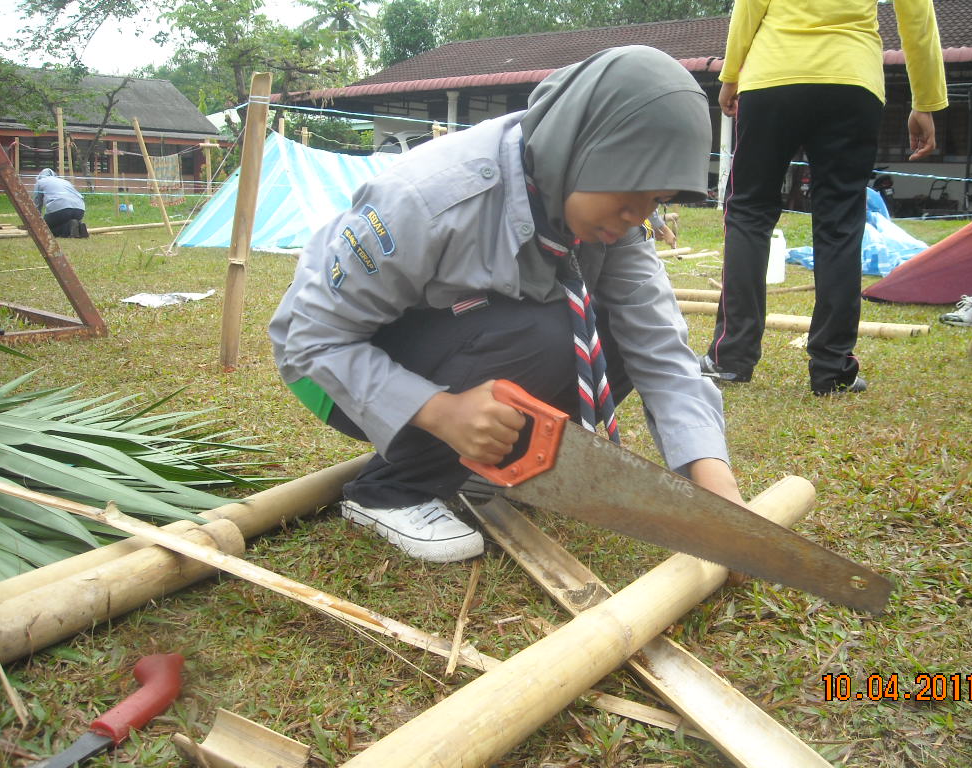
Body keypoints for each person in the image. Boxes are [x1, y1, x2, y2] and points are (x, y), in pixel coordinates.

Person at [270, 45, 744, 563]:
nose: (637, 215)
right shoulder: (430, 199)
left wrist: (713, 482)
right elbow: (313, 338)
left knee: (611, 331)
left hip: (456, 344)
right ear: (581, 147)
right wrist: (441, 412)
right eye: (630, 192)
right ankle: (390, 490)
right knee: (546, 331)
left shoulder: (618, 220)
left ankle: (471, 466)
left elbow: (657, 344)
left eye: (656, 201)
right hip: (325, 370)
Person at [700, 0, 947, 395]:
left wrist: (731, 74)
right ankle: (832, 368)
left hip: (773, 78)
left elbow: (749, 6)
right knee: (841, 224)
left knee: (749, 211)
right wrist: (926, 101)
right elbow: (917, 17)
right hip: (851, 80)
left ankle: (730, 357)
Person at [32, 169, 88, 238]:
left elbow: (37, 204)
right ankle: (78, 227)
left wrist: (36, 222)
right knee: (62, 221)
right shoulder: (65, 181)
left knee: (46, 228)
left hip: (61, 209)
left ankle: (69, 227)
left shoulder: (40, 182)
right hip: (80, 209)